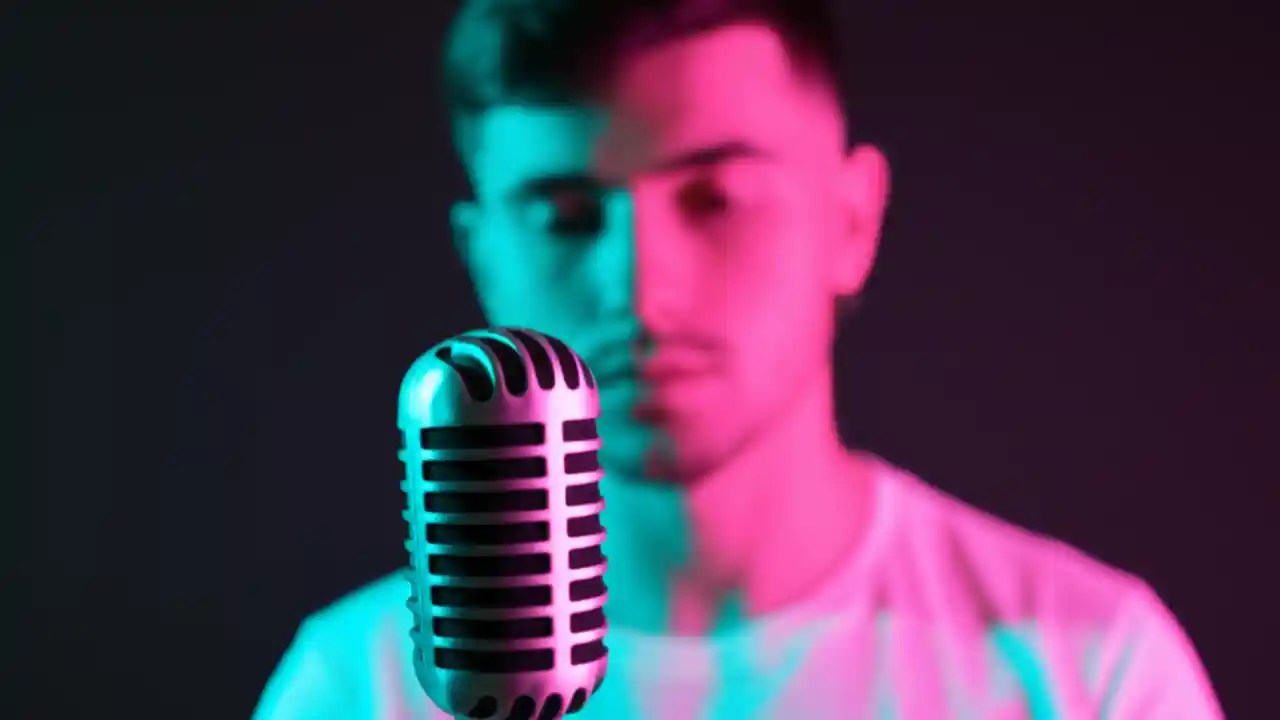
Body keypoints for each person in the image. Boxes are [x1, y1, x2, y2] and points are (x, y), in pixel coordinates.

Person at [253, 0, 1223, 717]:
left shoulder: (1092, 673)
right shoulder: (352, 689)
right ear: (484, 259)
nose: (637, 290)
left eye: (713, 199)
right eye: (564, 218)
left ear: (850, 220)